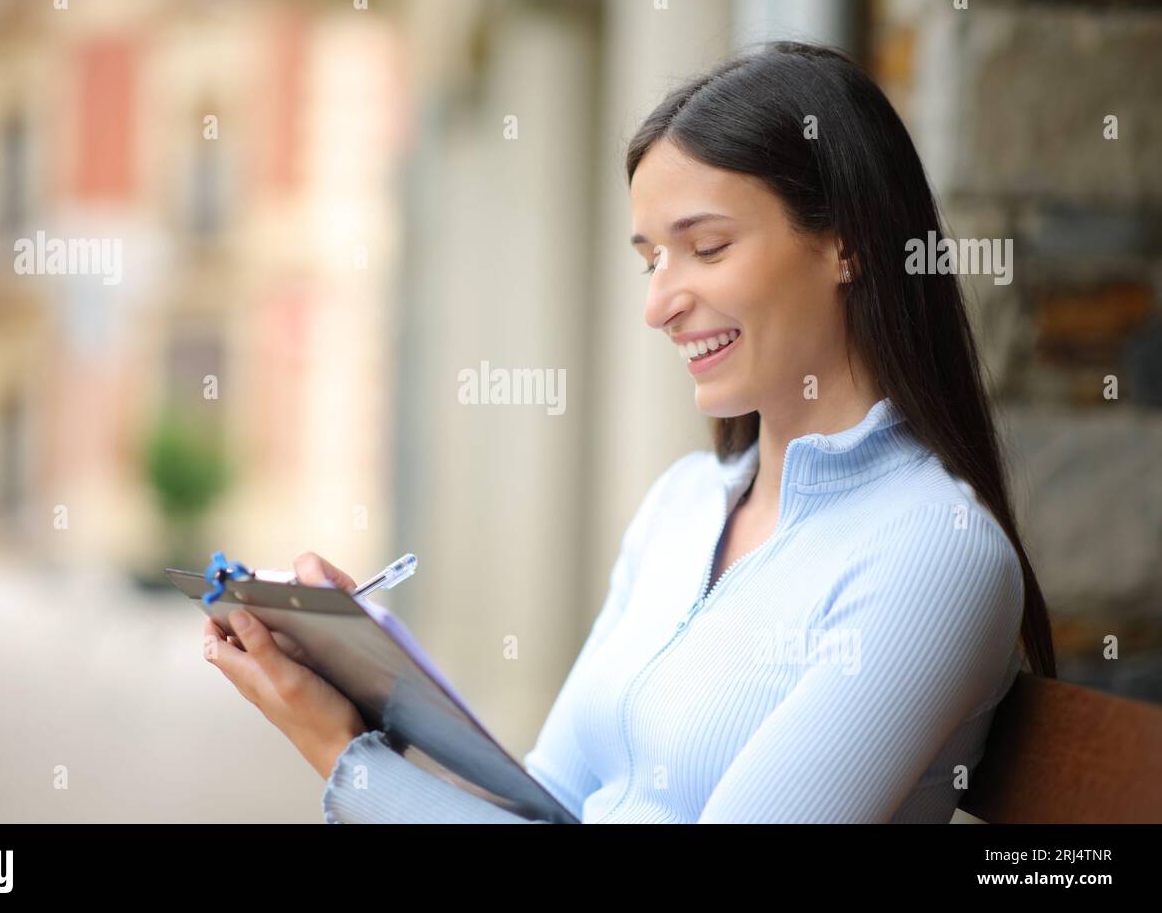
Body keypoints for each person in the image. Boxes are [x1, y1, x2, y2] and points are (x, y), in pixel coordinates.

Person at [203, 41, 1057, 823]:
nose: (659, 304)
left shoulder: (933, 554)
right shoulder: (683, 504)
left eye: (708, 247)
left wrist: (339, 753)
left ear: (849, 244)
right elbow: (552, 804)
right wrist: (362, 689)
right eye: (652, 259)